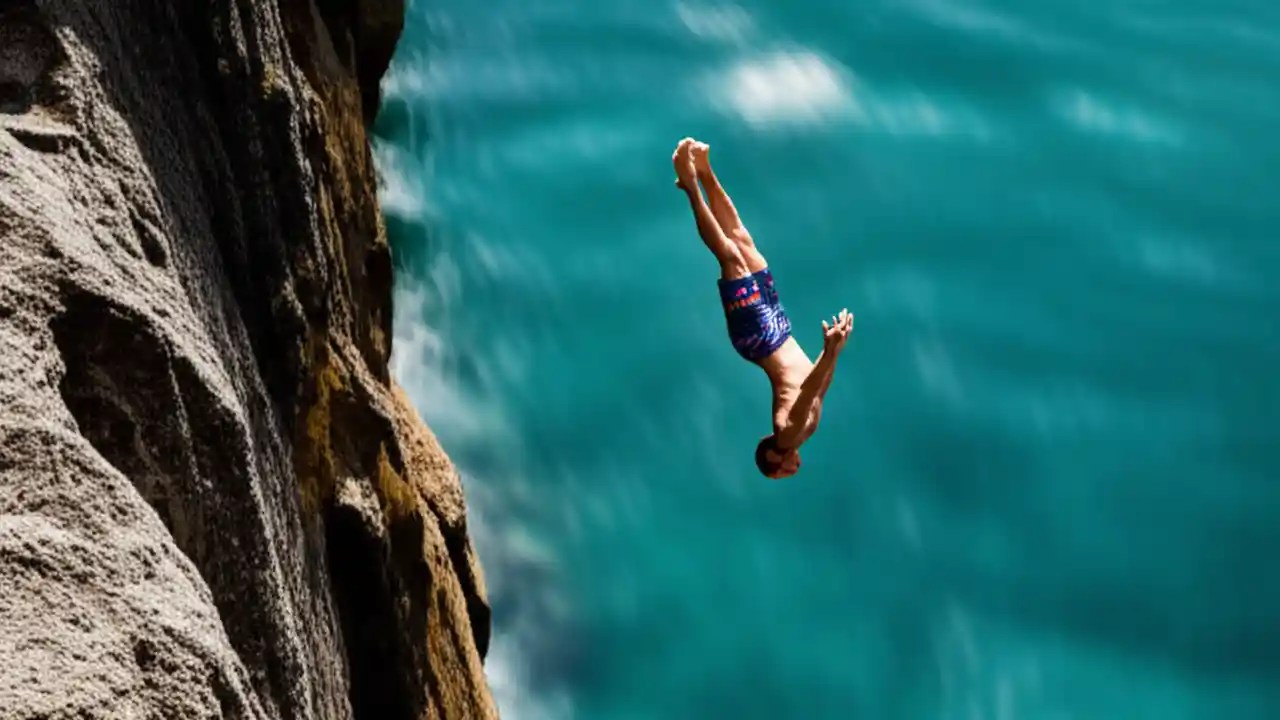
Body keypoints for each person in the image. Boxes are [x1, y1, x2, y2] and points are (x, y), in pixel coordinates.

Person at [673, 137, 853, 479]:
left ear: (775, 460)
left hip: (758, 338)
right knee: (742, 240)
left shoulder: (787, 434)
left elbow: (807, 393)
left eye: (781, 474)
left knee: (731, 258)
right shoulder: (802, 434)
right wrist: (834, 350)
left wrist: (830, 351)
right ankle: (705, 170)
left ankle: (690, 186)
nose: (793, 472)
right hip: (779, 331)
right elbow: (819, 387)